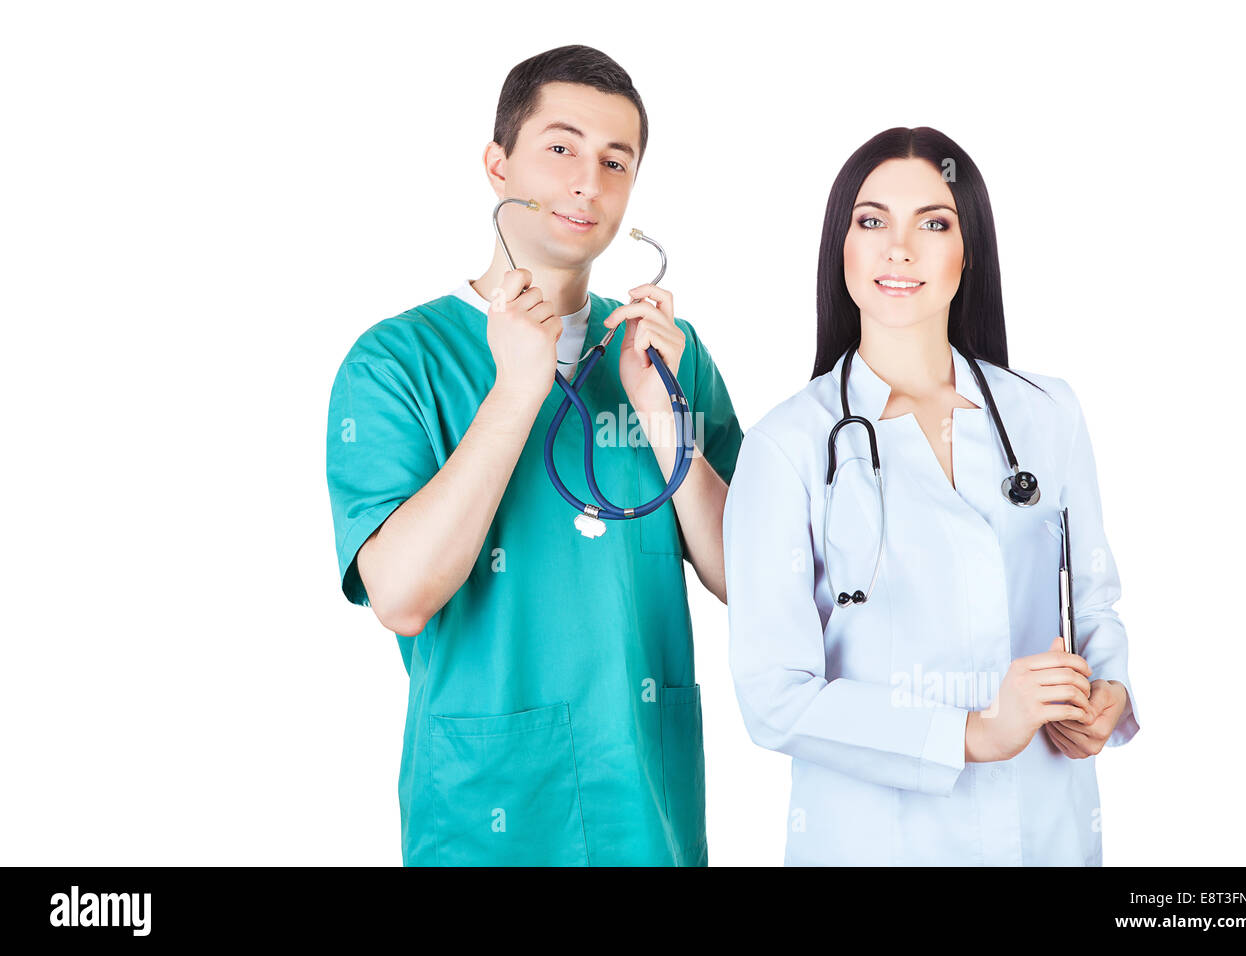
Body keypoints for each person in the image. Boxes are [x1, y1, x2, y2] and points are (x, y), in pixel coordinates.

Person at [325, 45, 743, 866]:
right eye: (561, 147)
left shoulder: (667, 356)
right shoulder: (395, 361)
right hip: (486, 810)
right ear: (496, 163)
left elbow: (753, 579)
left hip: (648, 808)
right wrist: (517, 391)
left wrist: (666, 422)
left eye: (615, 161)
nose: (588, 180)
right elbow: (401, 596)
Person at [722, 127, 1140, 866]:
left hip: (1044, 825)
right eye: (872, 220)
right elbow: (774, 697)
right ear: (840, 247)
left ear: (968, 249)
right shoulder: (786, 445)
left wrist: (1108, 690)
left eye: (935, 223)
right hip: (874, 840)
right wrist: (971, 733)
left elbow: (1093, 601)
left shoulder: (1048, 413)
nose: (900, 249)